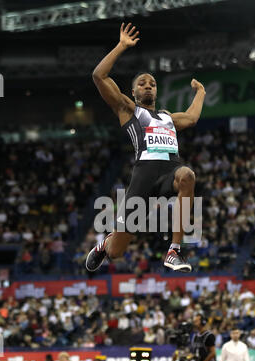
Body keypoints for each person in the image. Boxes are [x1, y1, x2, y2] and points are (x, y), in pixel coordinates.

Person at [86, 22, 206, 274]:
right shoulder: (128, 110)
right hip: (144, 175)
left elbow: (193, 118)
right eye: (142, 83)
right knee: (116, 252)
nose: (148, 85)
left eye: (152, 83)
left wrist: (201, 92)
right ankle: (104, 245)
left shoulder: (168, 117)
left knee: (188, 176)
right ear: (133, 91)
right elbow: (99, 76)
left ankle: (174, 250)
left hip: (170, 170)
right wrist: (121, 46)